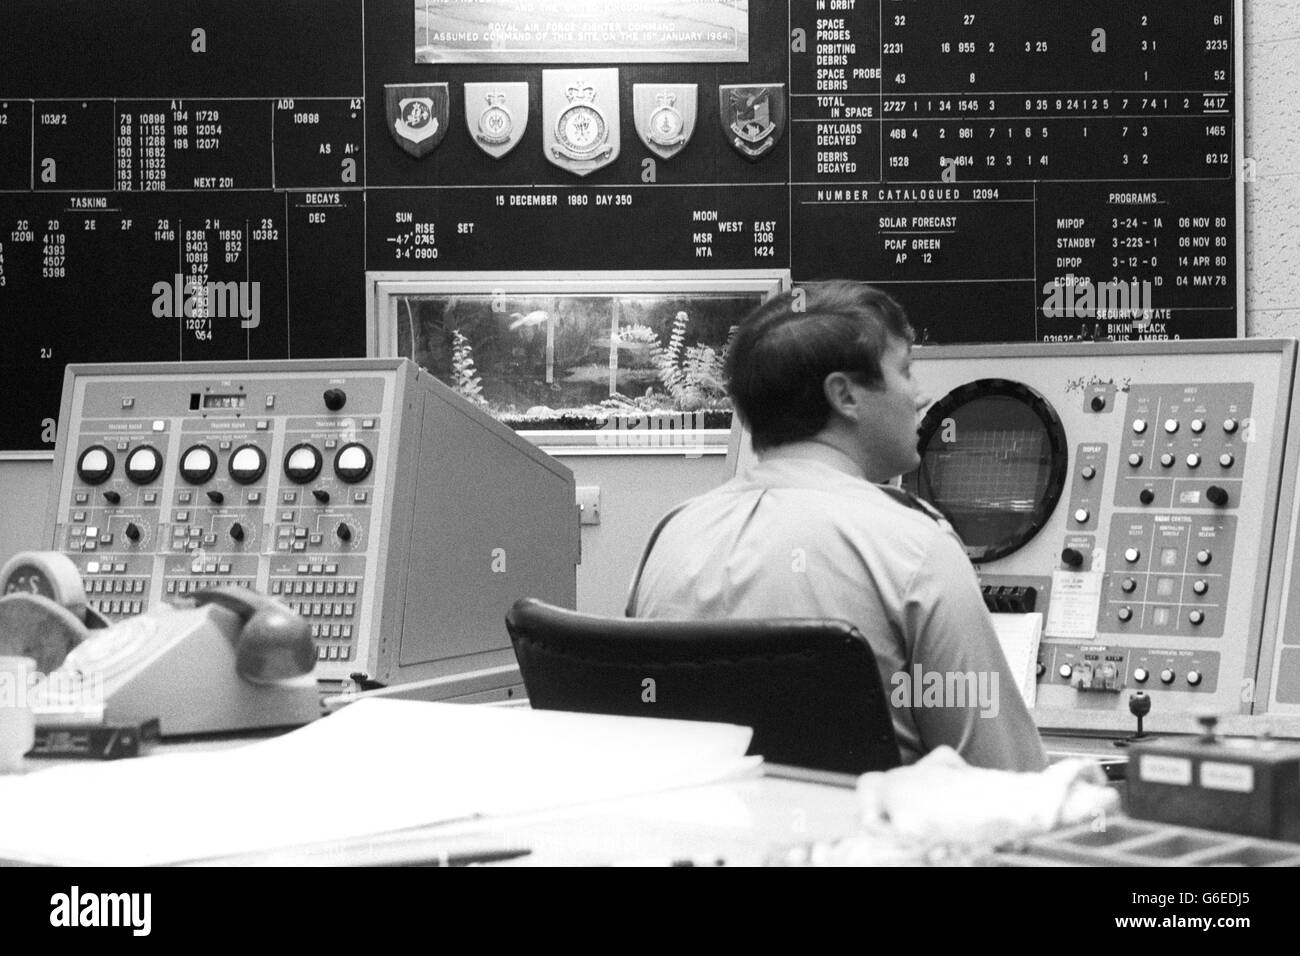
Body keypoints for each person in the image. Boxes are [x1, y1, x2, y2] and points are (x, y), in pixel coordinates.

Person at [626, 281, 1048, 772]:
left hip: (703, 844)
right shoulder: (916, 549)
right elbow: (1008, 786)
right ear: (845, 394)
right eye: (905, 371)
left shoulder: (670, 538)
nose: (920, 396)